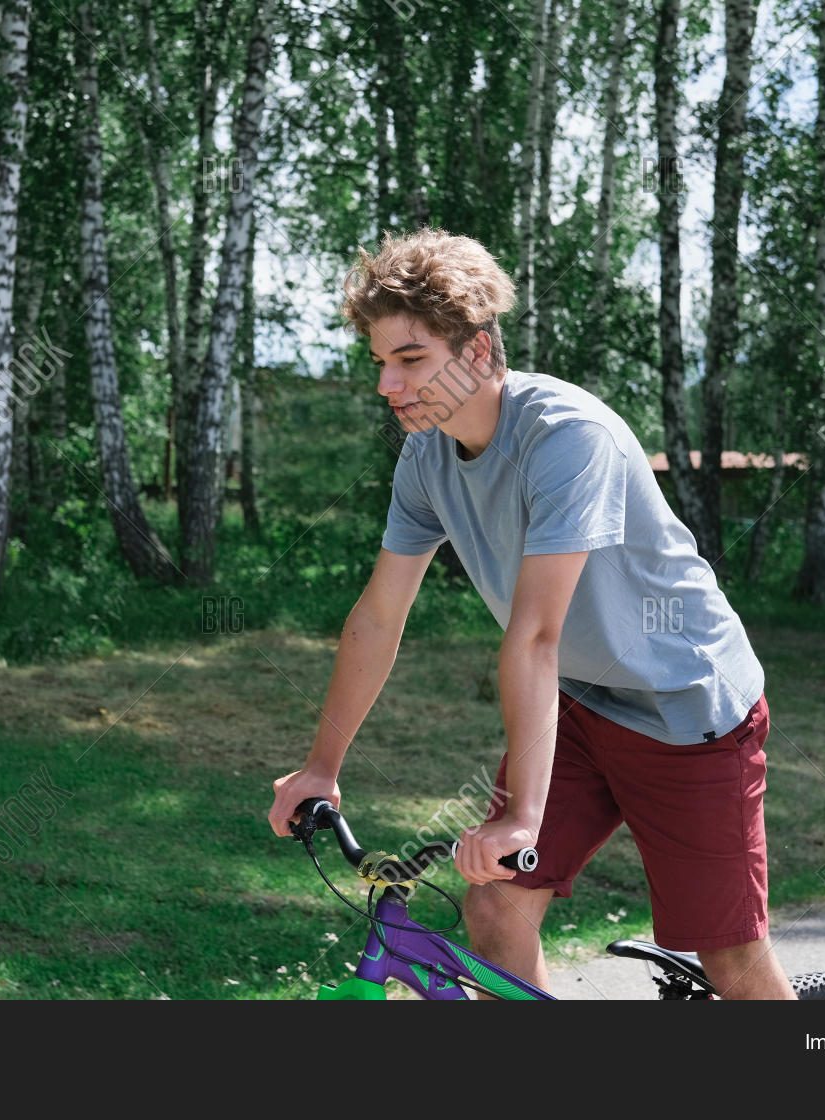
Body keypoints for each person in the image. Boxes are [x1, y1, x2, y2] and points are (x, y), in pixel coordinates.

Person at [266, 228, 795, 999]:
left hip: (685, 707)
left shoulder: (566, 439)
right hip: (577, 703)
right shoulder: (426, 454)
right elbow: (379, 615)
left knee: (731, 959)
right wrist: (322, 766)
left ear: (478, 352)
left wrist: (523, 820)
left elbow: (536, 635)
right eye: (380, 361)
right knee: (494, 907)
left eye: (410, 358)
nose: (387, 383)